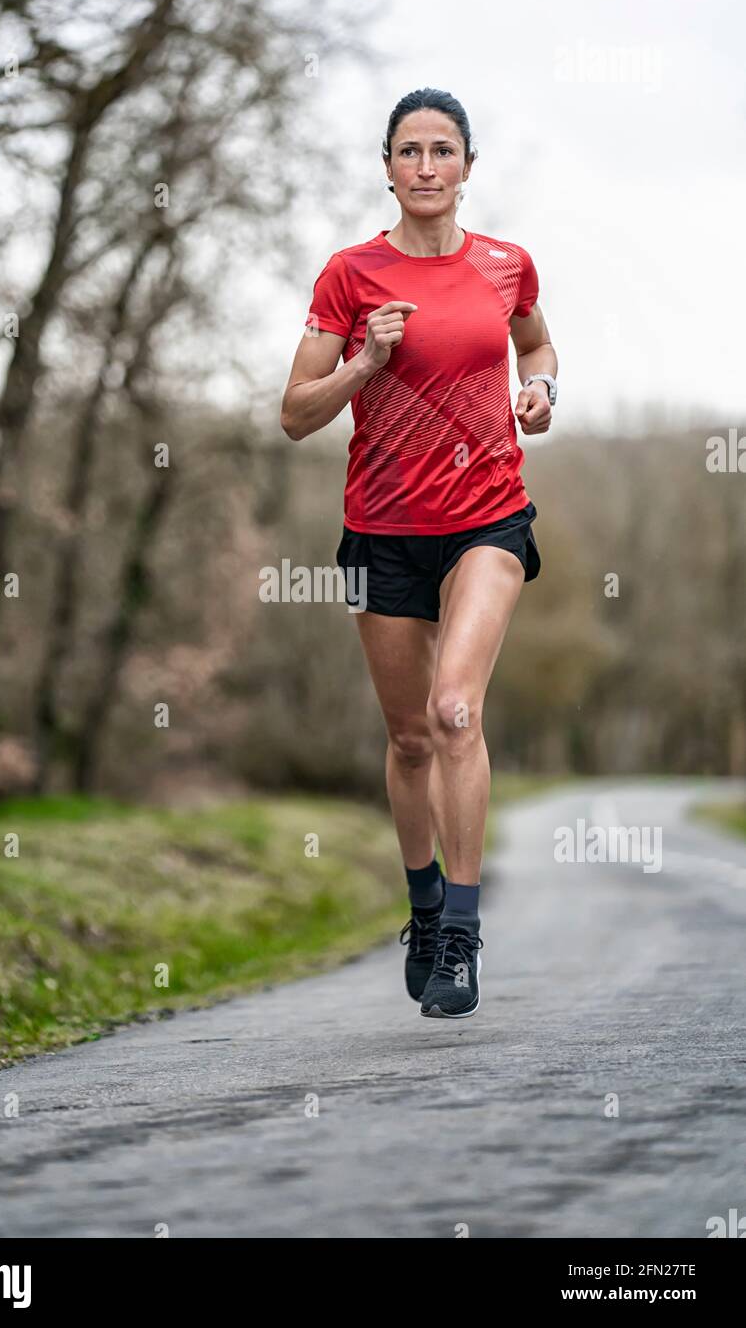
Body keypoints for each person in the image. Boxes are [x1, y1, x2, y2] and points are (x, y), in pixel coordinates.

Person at [280, 88, 558, 1018]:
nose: (428, 167)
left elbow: (538, 345)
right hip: (381, 531)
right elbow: (294, 415)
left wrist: (542, 391)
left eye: (445, 151)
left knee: (452, 712)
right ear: (388, 167)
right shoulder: (350, 275)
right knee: (406, 739)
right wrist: (365, 362)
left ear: (469, 167)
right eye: (410, 151)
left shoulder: (507, 265)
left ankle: (464, 936)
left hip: (487, 517)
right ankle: (425, 901)